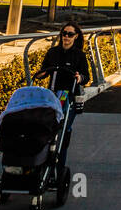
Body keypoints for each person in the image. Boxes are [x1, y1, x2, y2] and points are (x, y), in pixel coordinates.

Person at [33, 22, 92, 163]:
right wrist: (40, 74)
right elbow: (45, 71)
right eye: (64, 33)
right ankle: (43, 156)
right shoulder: (52, 52)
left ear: (76, 36)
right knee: (47, 126)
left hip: (68, 96)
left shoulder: (79, 55)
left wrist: (79, 78)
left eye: (70, 34)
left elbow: (86, 77)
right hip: (52, 94)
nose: (66, 37)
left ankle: (60, 160)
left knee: (64, 128)